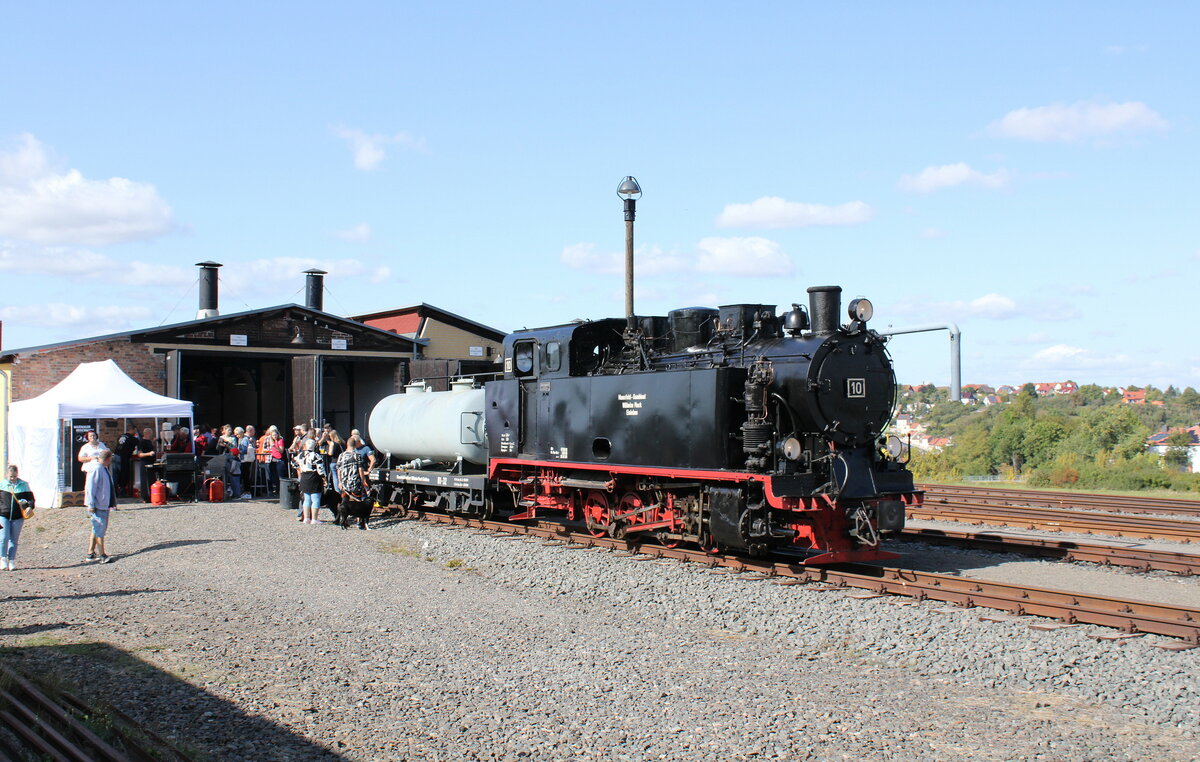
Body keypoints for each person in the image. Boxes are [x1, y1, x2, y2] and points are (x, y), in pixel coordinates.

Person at [84, 450, 118, 563]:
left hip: (103, 503)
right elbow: (90, 487)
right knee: (100, 530)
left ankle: (90, 552)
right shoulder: (97, 468)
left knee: (96, 528)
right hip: (98, 504)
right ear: (108, 459)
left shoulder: (103, 468)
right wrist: (91, 504)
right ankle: (102, 554)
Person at [0, 464, 35, 571]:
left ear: (17, 475)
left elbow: (31, 499)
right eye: (10, 476)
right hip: (3, 515)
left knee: (14, 540)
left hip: (18, 516)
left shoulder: (23, 485)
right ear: (7, 474)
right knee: (4, 538)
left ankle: (11, 561)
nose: (12, 478)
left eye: (14, 476)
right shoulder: (2, 485)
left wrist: (30, 507)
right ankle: (3, 559)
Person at [337, 435, 372, 530]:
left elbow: (338, 470)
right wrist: (363, 480)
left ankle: (344, 521)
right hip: (355, 483)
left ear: (347, 445)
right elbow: (360, 469)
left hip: (344, 484)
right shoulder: (357, 456)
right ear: (355, 445)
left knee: (345, 503)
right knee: (358, 504)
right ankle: (359, 522)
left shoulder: (341, 455)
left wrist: (339, 482)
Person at [294, 439, 325, 524]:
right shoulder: (316, 456)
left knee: (306, 499)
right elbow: (321, 470)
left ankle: (306, 518)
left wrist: (300, 470)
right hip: (314, 477)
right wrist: (324, 478)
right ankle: (314, 519)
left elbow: (294, 463)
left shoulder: (300, 455)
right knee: (315, 499)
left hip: (304, 476)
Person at [115, 424, 139, 497]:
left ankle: (115, 491)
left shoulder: (120, 436)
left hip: (116, 456)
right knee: (124, 474)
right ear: (132, 430)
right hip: (124, 457)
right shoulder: (133, 439)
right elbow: (139, 446)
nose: (135, 432)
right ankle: (122, 492)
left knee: (116, 475)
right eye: (135, 430)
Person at [135, 427, 157, 502]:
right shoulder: (141, 442)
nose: (151, 435)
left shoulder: (149, 442)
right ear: (147, 433)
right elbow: (140, 454)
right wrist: (149, 454)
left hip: (151, 463)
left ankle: (152, 495)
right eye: (151, 434)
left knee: (151, 480)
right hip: (144, 463)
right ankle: (146, 497)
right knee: (145, 481)